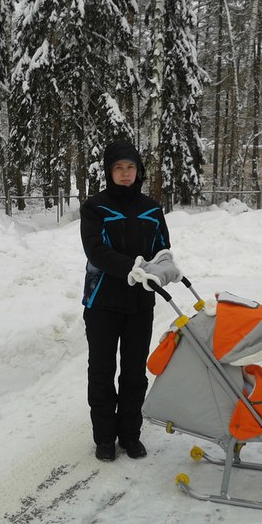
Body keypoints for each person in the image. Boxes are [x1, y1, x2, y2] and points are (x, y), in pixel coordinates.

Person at [80, 139, 181, 462]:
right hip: (102, 303)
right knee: (102, 370)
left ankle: (130, 435)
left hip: (140, 303)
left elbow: (162, 247)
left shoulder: (151, 208)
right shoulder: (95, 207)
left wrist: (165, 266)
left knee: (135, 372)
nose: (125, 173)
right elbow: (96, 251)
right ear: (109, 172)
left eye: (131, 167)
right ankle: (104, 438)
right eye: (118, 167)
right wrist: (133, 267)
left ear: (139, 171)